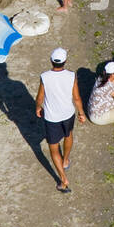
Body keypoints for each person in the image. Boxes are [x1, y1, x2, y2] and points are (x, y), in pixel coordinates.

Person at [36, 47, 86, 193]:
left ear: (51, 60)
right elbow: (76, 98)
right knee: (68, 135)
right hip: (68, 113)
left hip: (52, 117)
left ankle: (63, 180)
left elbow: (40, 97)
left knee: (53, 147)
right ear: (65, 61)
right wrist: (81, 113)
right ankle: (65, 161)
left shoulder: (45, 76)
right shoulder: (72, 75)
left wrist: (38, 107)